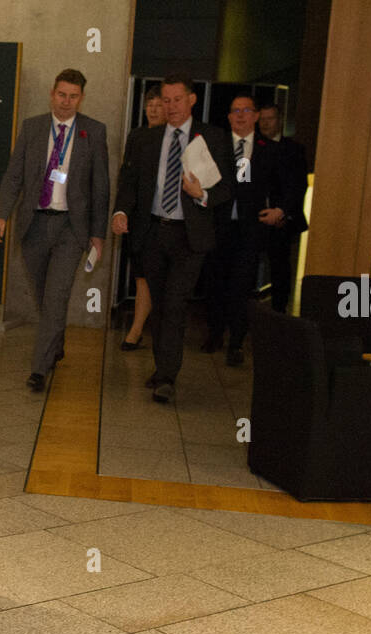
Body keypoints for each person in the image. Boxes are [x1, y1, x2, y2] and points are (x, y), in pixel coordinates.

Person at [112, 75, 234, 402]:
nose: (171, 107)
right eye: (166, 101)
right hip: (152, 232)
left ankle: (167, 376)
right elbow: (129, 182)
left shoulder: (213, 138)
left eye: (177, 100)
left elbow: (226, 189)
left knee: (176, 304)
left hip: (188, 237)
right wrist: (120, 211)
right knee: (161, 307)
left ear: (192, 100)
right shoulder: (145, 140)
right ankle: (161, 367)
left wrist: (202, 194)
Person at [0, 69, 110, 393]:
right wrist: (1, 214)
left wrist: (98, 234)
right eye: (62, 95)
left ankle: (39, 370)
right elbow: (14, 175)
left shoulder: (93, 132)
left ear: (81, 99)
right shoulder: (32, 128)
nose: (66, 102)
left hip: (71, 228)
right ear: (52, 93)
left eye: (73, 96)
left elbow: (100, 187)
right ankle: (55, 342)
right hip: (34, 223)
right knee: (44, 297)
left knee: (56, 299)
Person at [204, 94, 288, 366]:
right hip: (219, 226)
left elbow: (285, 188)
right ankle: (214, 333)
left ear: (255, 116)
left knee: (242, 286)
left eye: (246, 110)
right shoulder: (217, 147)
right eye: (234, 110)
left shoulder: (269, 150)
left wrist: (280, 210)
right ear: (228, 117)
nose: (240, 115)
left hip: (250, 229)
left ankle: (237, 342)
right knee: (215, 282)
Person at [120, 85, 165, 351]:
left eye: (159, 104)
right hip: (139, 219)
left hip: (163, 218)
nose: (154, 109)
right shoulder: (136, 136)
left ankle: (141, 329)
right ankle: (136, 329)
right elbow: (128, 177)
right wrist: (122, 211)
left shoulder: (174, 138)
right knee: (141, 276)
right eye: (150, 104)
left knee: (155, 278)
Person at [256, 102, 308, 312]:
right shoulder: (250, 146)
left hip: (281, 220)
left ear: (280, 121)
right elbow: (241, 182)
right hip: (254, 218)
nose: (266, 123)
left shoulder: (294, 150)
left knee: (280, 268)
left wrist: (282, 211)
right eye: (263, 119)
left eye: (270, 119)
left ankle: (279, 311)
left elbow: (298, 186)